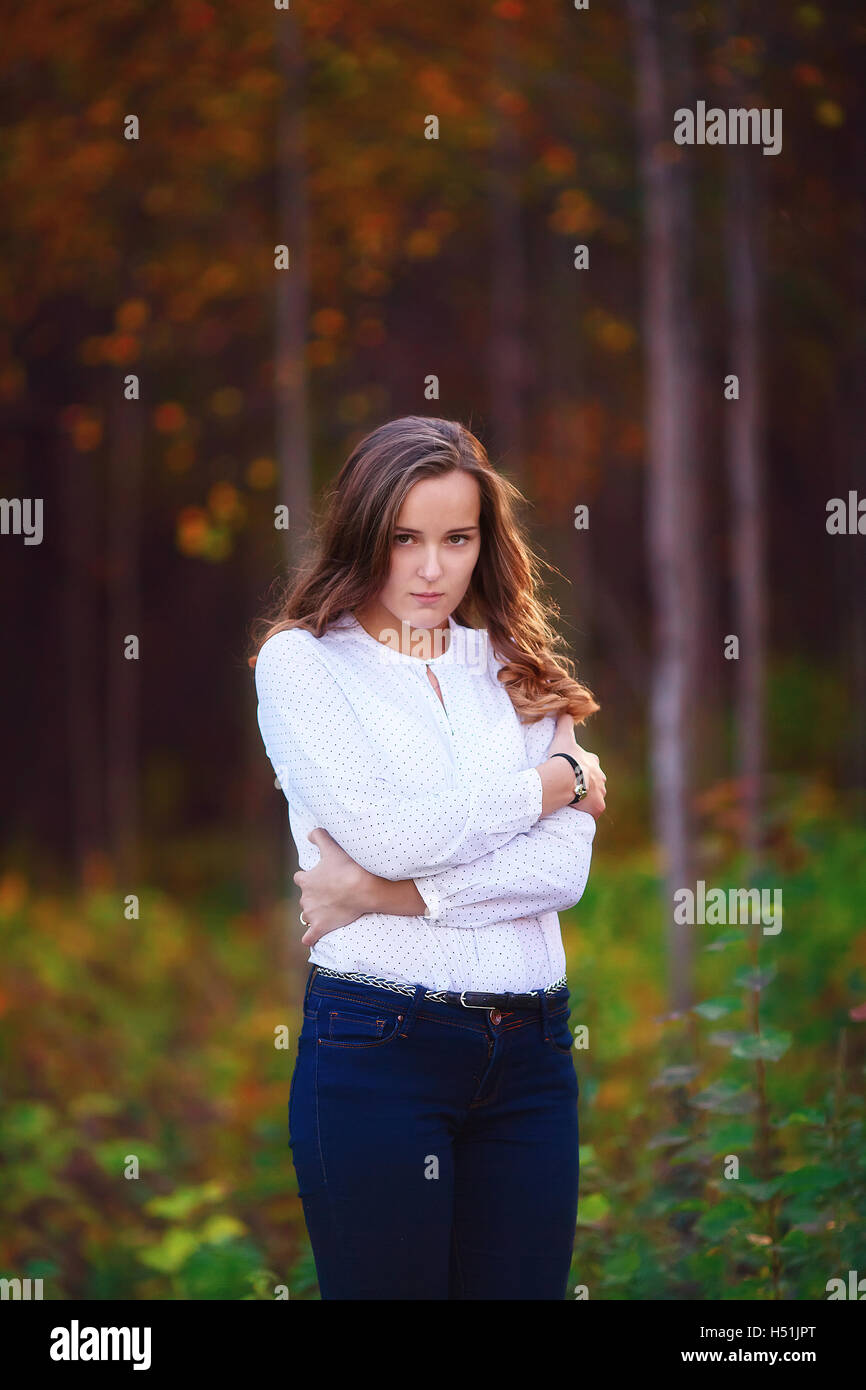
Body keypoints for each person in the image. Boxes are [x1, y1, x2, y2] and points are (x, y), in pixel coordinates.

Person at [250, 415, 607, 1300]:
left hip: (531, 1055)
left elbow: (562, 873)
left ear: (485, 542)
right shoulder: (303, 666)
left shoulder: (519, 667)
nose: (431, 568)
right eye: (404, 539)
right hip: (380, 1047)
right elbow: (389, 835)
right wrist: (555, 781)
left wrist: (378, 895)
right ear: (364, 533)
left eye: (457, 538)